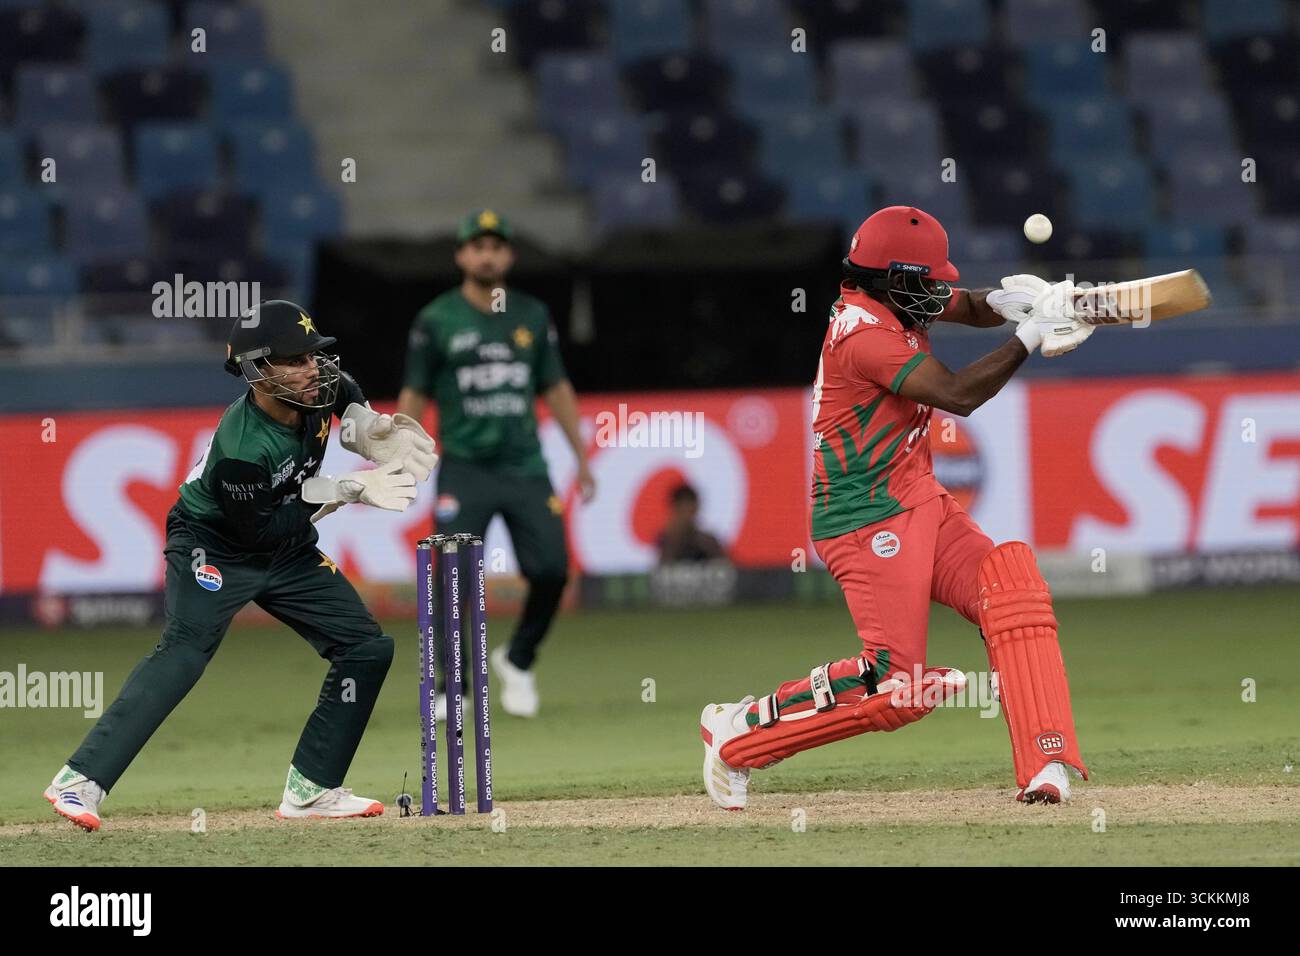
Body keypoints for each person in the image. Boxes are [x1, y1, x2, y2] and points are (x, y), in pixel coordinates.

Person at [700, 206, 1093, 810]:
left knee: (1011, 588)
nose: (936, 292)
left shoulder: (896, 292)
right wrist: (1030, 336)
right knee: (898, 687)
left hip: (920, 502)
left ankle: (1046, 763)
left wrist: (1013, 297)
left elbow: (961, 303)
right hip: (865, 521)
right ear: (888, 280)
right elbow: (958, 395)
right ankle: (741, 734)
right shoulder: (864, 338)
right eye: (924, 281)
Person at [44, 300, 436, 830]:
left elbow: (343, 387)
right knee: (183, 654)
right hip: (215, 545)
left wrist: (364, 421)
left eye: (313, 356)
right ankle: (79, 781)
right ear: (257, 372)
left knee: (366, 647)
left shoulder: (320, 388)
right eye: (295, 360)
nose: (312, 369)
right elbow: (261, 529)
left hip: (283, 544)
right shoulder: (241, 448)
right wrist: (345, 489)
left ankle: (312, 788)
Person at [398, 210, 594, 718]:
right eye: (477, 246)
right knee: (450, 573)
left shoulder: (531, 315)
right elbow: (415, 393)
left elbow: (556, 387)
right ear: (461, 255)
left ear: (508, 255)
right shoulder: (436, 320)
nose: (487, 254)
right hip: (464, 466)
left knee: (552, 569)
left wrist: (581, 458)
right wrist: (396, 455)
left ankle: (519, 658)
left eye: (497, 246)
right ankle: (452, 687)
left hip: (525, 466)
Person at [657, 483, 725, 564]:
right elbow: (661, 569)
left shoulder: (708, 541)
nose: (687, 515)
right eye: (683, 510)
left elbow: (724, 568)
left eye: (690, 510)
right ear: (675, 508)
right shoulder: (664, 540)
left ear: (696, 508)